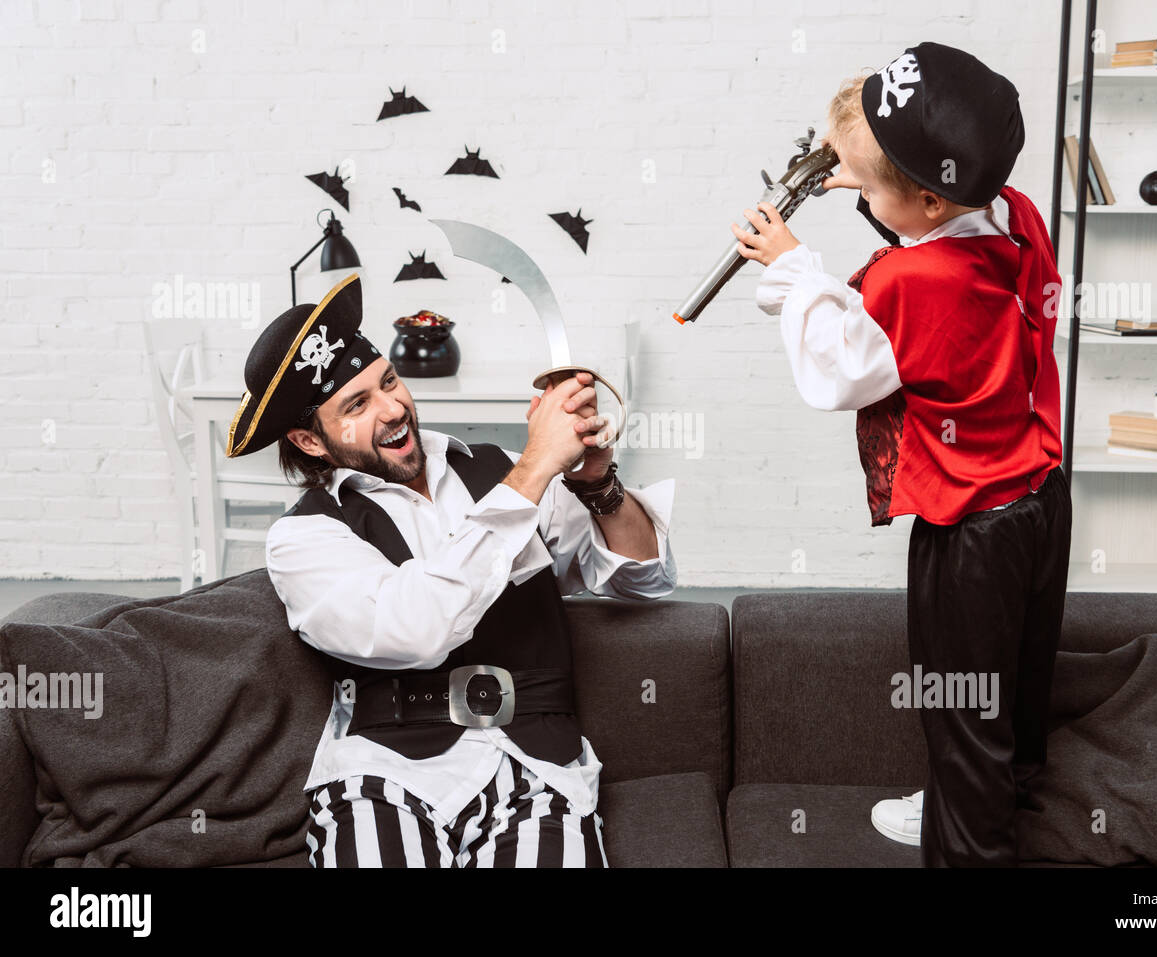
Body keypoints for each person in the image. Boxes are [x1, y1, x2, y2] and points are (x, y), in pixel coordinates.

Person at [731, 42, 1072, 866]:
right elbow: (919, 227)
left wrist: (793, 269)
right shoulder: (1013, 208)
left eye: (869, 184)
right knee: (1018, 688)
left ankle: (969, 838)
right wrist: (873, 181)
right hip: (1041, 495)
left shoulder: (914, 285)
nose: (859, 193)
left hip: (971, 525)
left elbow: (839, 365)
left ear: (923, 198)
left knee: (961, 706)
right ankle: (999, 795)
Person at [225, 272, 676, 867]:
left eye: (388, 381)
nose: (393, 409)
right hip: (383, 776)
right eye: (357, 405)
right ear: (311, 441)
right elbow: (415, 629)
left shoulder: (503, 470)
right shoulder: (305, 537)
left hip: (540, 771)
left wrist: (597, 484)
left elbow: (641, 577)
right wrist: (536, 470)